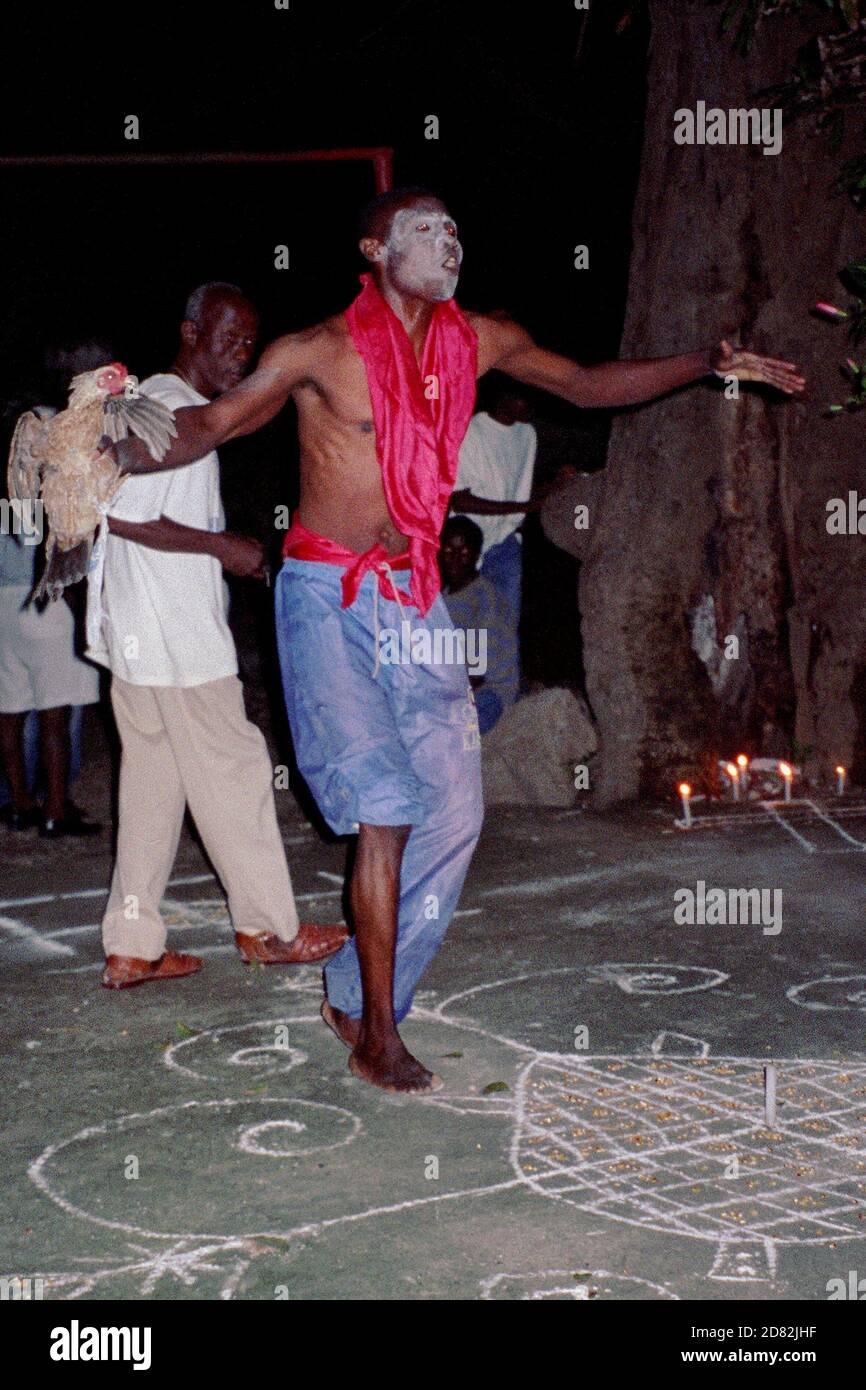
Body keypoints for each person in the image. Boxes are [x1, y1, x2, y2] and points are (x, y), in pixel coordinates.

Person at [107, 187, 804, 1089]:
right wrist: (117, 443)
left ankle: (355, 985)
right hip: (327, 597)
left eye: (457, 231)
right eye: (428, 231)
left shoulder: (478, 341)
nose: (452, 242)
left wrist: (707, 363)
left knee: (455, 811)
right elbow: (214, 422)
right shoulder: (316, 351)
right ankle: (377, 1036)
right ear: (376, 250)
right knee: (387, 806)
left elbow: (589, 384)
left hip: (415, 601)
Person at [88, 282, 347, 989]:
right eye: (228, 337)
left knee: (151, 789)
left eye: (248, 342)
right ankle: (270, 928)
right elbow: (121, 516)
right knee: (236, 766)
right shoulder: (172, 409)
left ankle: (131, 945)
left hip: (138, 632)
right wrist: (223, 547)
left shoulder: (156, 404)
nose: (240, 352)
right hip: (173, 635)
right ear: (191, 331)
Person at [0, 453, 101, 838]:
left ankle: (20, 804)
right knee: (54, 719)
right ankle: (55, 810)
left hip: (5, 606)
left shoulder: (10, 495)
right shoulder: (58, 495)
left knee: (9, 713)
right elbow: (69, 556)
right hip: (47, 601)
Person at [451, 379, 538, 623]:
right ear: (504, 396)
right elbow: (461, 502)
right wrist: (522, 508)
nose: (530, 406)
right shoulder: (469, 431)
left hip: (506, 540)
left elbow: (519, 491)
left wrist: (558, 485)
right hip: (467, 543)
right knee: (463, 625)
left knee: (504, 626)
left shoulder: (527, 434)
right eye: (524, 398)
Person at [439, 515, 518, 734]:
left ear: (476, 556)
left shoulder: (484, 599)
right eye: (448, 551)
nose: (455, 559)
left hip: (489, 694)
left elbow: (475, 673)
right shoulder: (442, 599)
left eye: (464, 554)